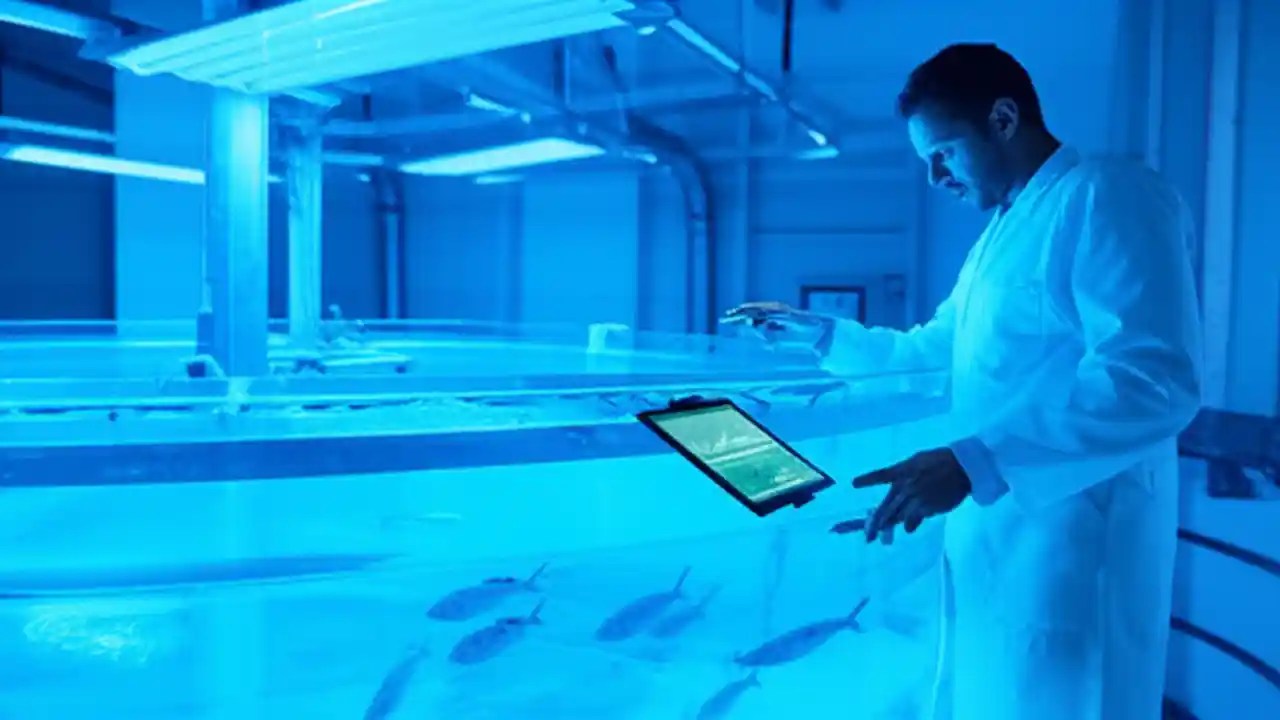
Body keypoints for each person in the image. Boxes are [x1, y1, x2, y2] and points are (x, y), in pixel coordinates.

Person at [726, 43, 1203, 720]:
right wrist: (824, 334)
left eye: (943, 153)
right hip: (999, 536)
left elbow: (1155, 377)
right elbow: (937, 353)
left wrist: (978, 460)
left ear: (1003, 119)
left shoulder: (1107, 195)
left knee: (1068, 699)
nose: (935, 178)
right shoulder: (1002, 236)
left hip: (1073, 543)